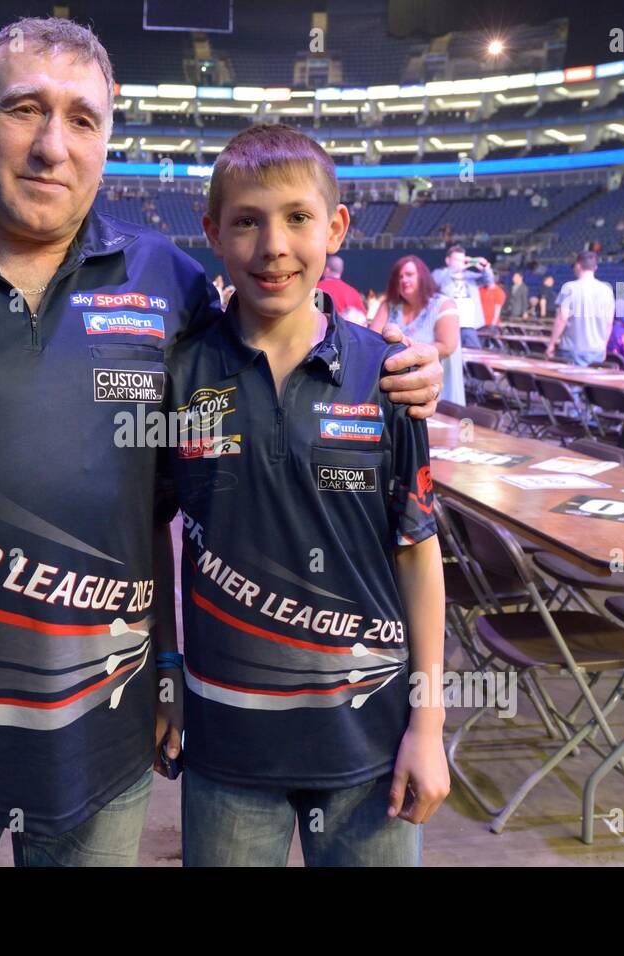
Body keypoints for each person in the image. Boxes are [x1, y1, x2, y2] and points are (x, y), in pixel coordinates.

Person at [0, 17, 443, 869]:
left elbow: (252, 388)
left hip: (104, 753)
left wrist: (394, 371)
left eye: (82, 120)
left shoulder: (170, 286)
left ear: (107, 142)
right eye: (24, 110)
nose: (51, 147)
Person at [163, 123, 447, 867]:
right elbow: (139, 535)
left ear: (336, 227)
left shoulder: (389, 376)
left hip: (370, 744)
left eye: (296, 218)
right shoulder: (179, 376)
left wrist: (428, 725)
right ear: (213, 234)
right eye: (247, 221)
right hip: (228, 745)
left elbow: (417, 556)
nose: (273, 246)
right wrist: (165, 671)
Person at [372, 255, 463, 404]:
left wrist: (403, 350)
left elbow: (447, 346)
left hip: (436, 389)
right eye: (399, 277)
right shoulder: (389, 305)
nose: (404, 280)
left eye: (409, 275)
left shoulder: (444, 304)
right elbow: (373, 340)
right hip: (395, 388)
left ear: (423, 277)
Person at [547, 250, 614, 366]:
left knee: (570, 383)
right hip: (597, 350)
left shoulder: (569, 288)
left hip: (571, 349)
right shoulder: (607, 290)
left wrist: (551, 343)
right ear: (595, 267)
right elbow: (609, 323)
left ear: (578, 266)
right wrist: (603, 346)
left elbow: (561, 319)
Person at [430, 244, 493, 349]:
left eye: (462, 260)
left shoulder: (470, 276)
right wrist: (454, 270)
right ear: (448, 260)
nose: (459, 263)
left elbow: (489, 281)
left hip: (467, 323)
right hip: (448, 322)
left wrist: (485, 266)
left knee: (474, 353)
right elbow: (435, 280)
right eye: (456, 260)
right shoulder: (440, 274)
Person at [315, 254, 367, 325]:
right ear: (341, 270)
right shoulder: (353, 292)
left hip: (324, 333)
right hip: (346, 333)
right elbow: (363, 318)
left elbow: (314, 315)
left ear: (327, 269)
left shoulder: (318, 288)